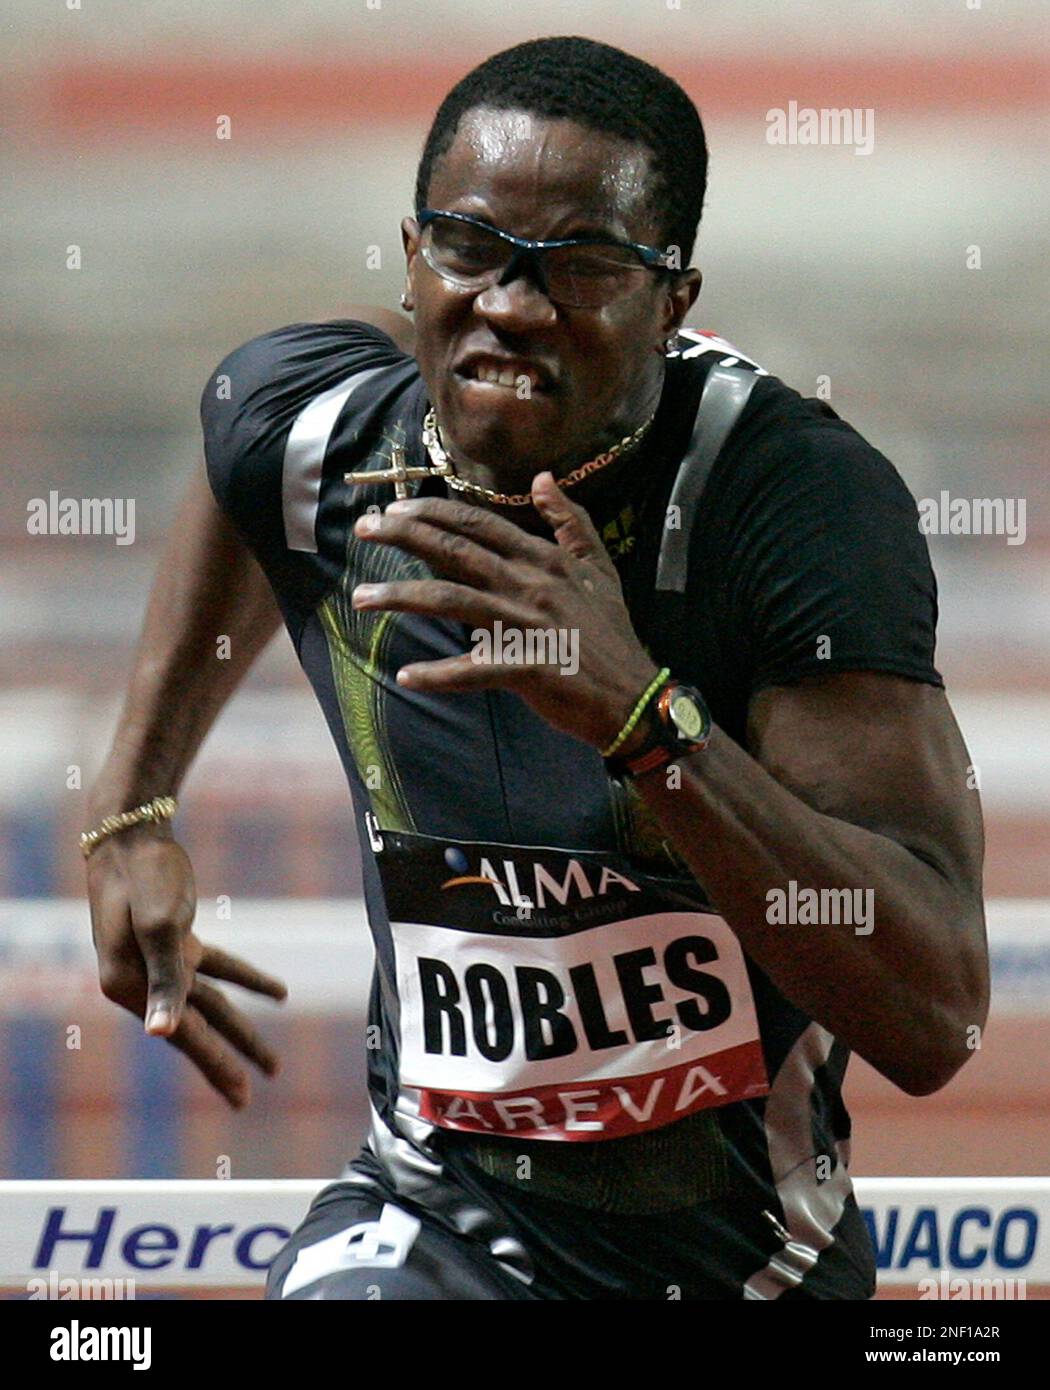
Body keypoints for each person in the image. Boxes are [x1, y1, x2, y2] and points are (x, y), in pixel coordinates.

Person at [84, 36, 988, 1300]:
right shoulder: (320, 439)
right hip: (428, 1214)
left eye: (581, 267)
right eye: (470, 248)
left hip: (742, 1260)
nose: (511, 303)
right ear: (413, 256)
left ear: (674, 301)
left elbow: (936, 1012)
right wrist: (128, 804)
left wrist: (645, 722)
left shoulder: (788, 504)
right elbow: (242, 456)